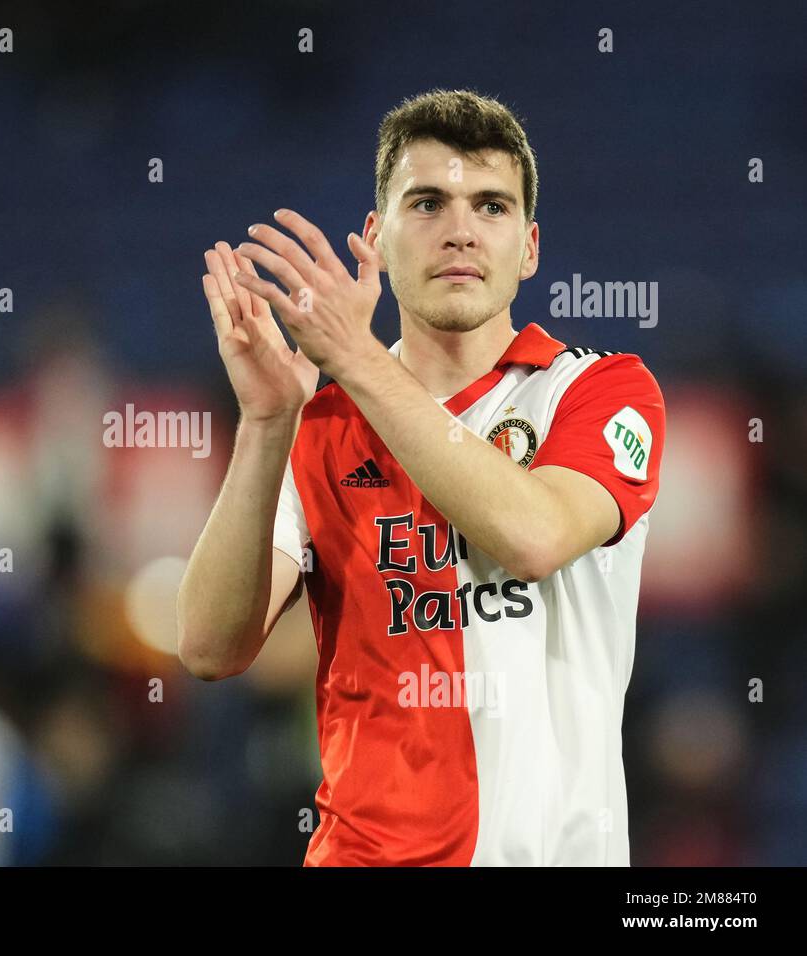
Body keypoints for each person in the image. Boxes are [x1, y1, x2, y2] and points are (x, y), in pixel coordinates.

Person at [176, 88, 666, 866]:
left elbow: (534, 536)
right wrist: (268, 423)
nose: (462, 231)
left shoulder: (598, 390)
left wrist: (357, 358)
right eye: (428, 203)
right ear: (377, 235)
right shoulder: (317, 426)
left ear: (530, 247)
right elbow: (208, 646)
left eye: (493, 207)